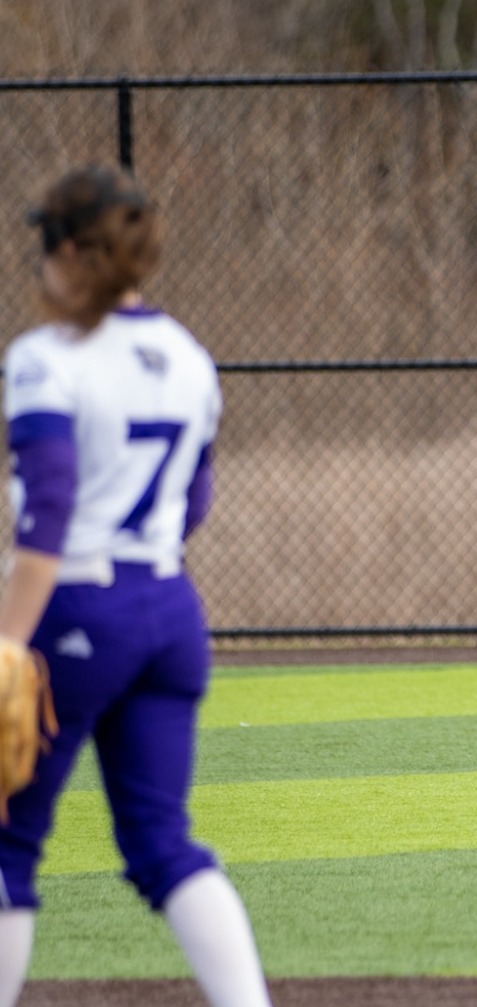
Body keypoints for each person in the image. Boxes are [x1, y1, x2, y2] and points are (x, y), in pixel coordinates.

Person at [0, 165, 272, 1007]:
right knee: (161, 841)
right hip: (170, 612)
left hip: (77, 607)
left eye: (46, 245)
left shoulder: (47, 360)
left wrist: (7, 641)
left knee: (7, 845)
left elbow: (47, 517)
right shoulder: (189, 358)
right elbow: (193, 503)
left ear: (74, 253)